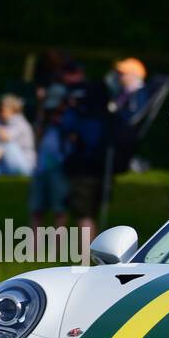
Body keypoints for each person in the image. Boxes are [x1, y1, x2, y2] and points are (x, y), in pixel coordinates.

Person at [58, 59, 110, 241]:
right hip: (94, 166)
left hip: (84, 168)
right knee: (83, 212)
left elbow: (69, 131)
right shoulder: (104, 118)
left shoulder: (85, 120)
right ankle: (82, 254)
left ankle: (86, 258)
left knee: (83, 214)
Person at [29, 86, 69, 229]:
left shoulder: (70, 120)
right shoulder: (45, 122)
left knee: (60, 211)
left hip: (60, 170)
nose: (54, 114)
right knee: (36, 211)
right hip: (41, 169)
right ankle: (33, 250)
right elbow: (36, 139)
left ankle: (55, 249)